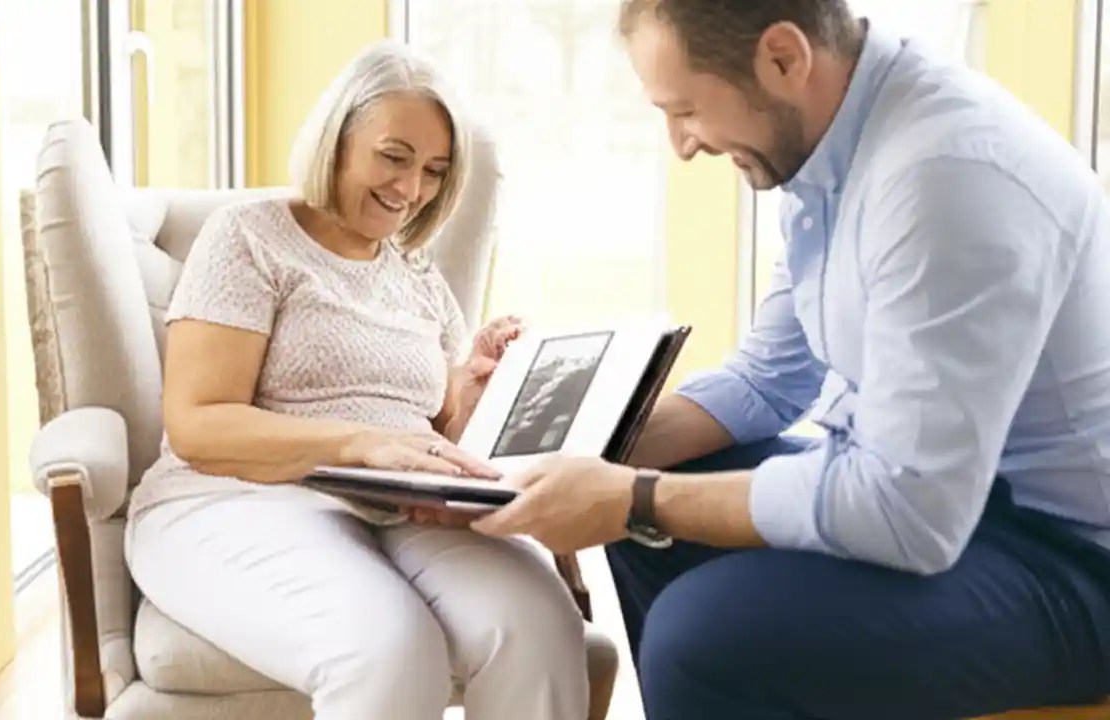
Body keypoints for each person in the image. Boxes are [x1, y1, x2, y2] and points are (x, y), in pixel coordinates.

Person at [471, 1, 1110, 717]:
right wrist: (550, 465)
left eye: (685, 111)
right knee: (651, 512)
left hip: (1070, 559)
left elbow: (905, 510)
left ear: (783, 58)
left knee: (699, 636)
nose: (681, 145)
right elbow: (766, 381)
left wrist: (631, 497)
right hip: (950, 507)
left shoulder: (944, 177)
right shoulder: (834, 147)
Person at [125, 41, 588, 720]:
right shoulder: (249, 236)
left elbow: (431, 431)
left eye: (434, 171)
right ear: (337, 138)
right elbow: (198, 424)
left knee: (539, 625)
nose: (411, 189)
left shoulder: (417, 274)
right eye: (394, 157)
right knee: (388, 647)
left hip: (394, 506)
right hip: (234, 498)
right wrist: (359, 444)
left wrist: (474, 390)